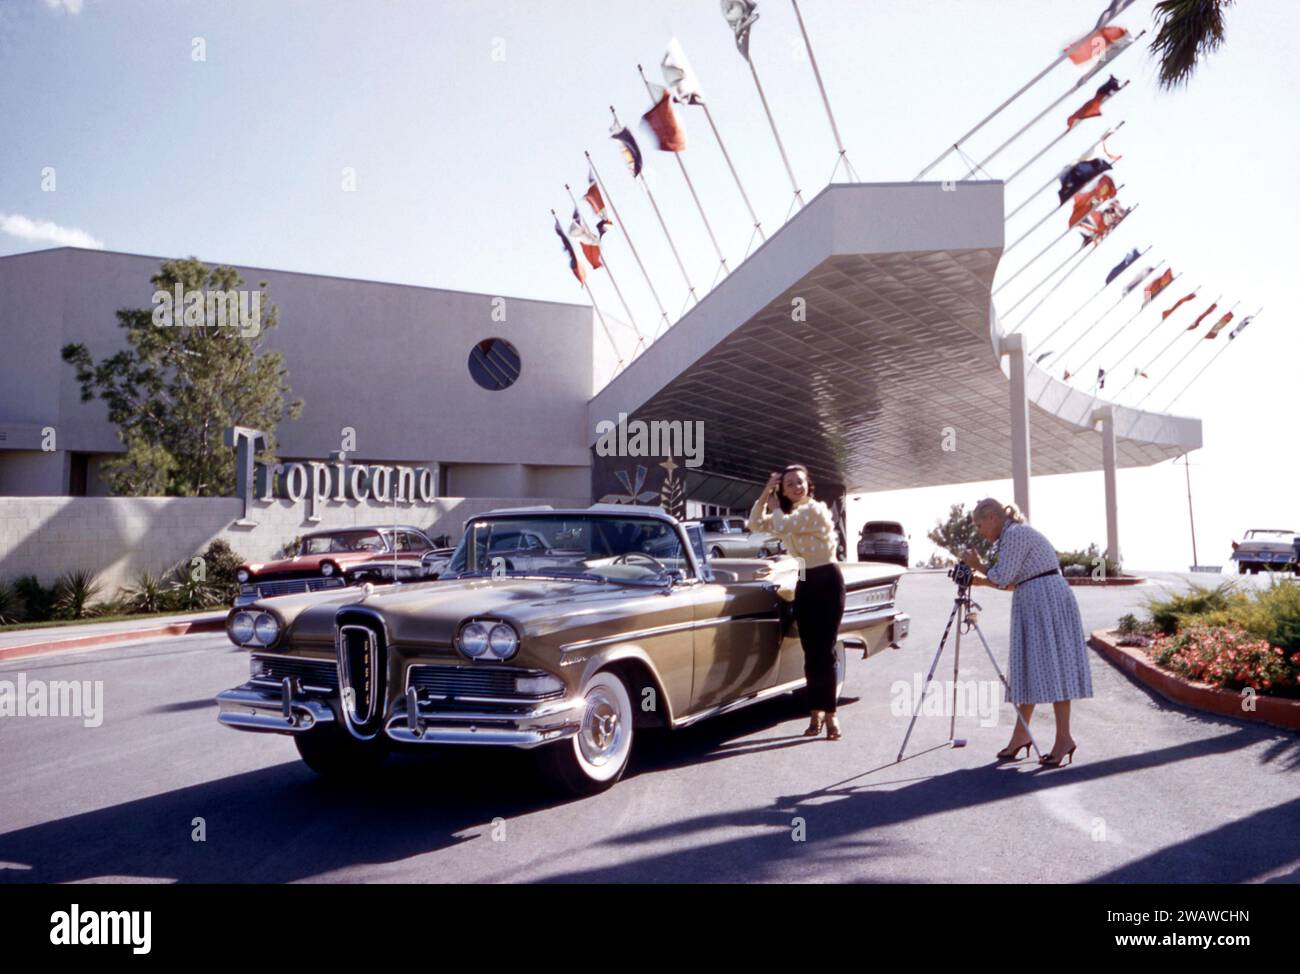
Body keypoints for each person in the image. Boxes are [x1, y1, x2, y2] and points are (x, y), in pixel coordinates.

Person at [959, 498, 1093, 766]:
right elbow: (1010, 581)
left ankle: (1064, 738)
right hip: (1036, 598)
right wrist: (981, 579)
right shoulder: (1011, 537)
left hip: (1045, 601)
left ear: (992, 518)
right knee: (1028, 668)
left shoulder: (1015, 535)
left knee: (1054, 667)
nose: (979, 531)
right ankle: (1021, 736)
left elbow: (1003, 577)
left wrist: (977, 564)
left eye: (979, 524)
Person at [748, 464, 845, 740]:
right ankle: (815, 713)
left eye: (799, 482)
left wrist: (775, 504)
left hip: (827, 579)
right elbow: (755, 523)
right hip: (805, 579)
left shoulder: (814, 510)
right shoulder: (785, 514)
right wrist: (767, 491)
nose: (796, 487)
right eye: (789, 484)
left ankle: (831, 715)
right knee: (810, 652)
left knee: (825, 651)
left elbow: (783, 525)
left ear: (808, 484)